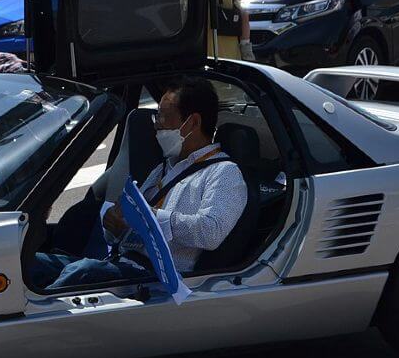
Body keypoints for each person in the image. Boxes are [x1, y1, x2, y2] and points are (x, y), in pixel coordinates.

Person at [32, 80, 247, 289]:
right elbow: (135, 227)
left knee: (81, 272)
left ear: (192, 122)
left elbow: (211, 232)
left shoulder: (224, 173)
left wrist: (149, 217)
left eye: (163, 116)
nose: (157, 124)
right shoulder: (165, 168)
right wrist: (117, 225)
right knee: (35, 263)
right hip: (121, 260)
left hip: (155, 279)